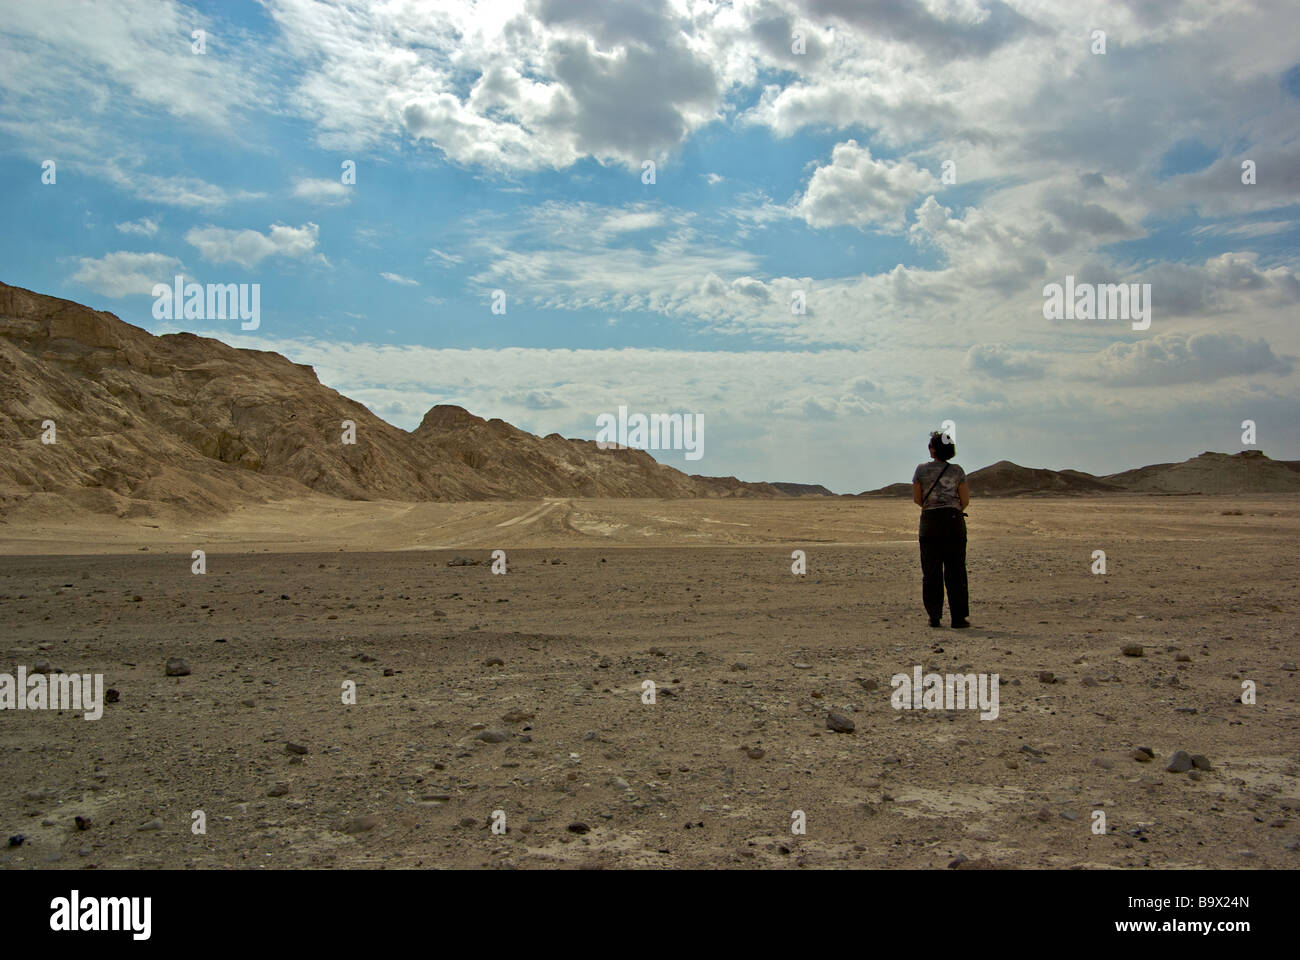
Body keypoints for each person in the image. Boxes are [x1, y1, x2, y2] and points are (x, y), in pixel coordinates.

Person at [911, 430, 970, 628]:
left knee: (931, 571)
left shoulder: (921, 470)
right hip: (953, 521)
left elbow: (918, 499)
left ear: (934, 449)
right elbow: (965, 500)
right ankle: (958, 618)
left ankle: (934, 616)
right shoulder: (957, 471)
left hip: (930, 522)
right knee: (956, 571)